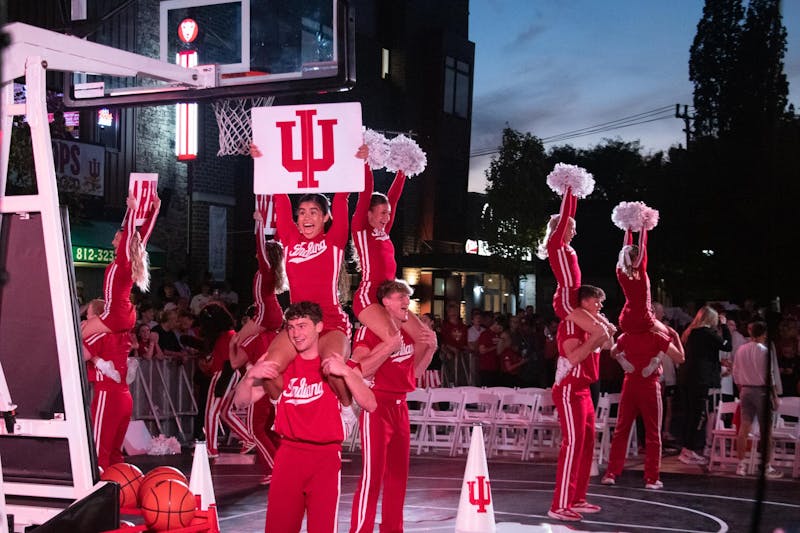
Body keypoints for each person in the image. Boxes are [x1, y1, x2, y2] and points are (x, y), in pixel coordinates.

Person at [244, 302, 376, 533]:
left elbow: (371, 404)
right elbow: (244, 397)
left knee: (323, 528)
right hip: (289, 455)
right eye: (292, 327)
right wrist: (249, 376)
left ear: (319, 328)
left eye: (302, 326)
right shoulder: (283, 369)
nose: (296, 333)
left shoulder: (338, 371)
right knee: (278, 527)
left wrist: (345, 370)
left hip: (324, 458)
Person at [251, 144, 361, 406]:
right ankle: (286, 411)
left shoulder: (333, 240)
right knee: (268, 369)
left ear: (325, 217)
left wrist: (356, 161)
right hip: (298, 323)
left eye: (314, 212)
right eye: (302, 213)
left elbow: (343, 198)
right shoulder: (289, 238)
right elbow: (280, 196)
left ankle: (346, 411)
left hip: (331, 321)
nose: (306, 217)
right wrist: (263, 160)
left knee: (332, 367)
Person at [349, 280, 435, 533]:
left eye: (407, 298)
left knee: (399, 476)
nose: (406, 302)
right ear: (385, 302)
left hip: (400, 406)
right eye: (400, 297)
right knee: (372, 476)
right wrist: (388, 348)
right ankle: (360, 529)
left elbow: (415, 372)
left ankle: (392, 528)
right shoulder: (369, 331)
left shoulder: (407, 331)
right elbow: (360, 370)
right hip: (376, 406)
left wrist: (431, 348)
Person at [351, 150, 435, 371]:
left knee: (425, 340)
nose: (386, 218)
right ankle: (360, 380)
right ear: (367, 214)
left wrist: (403, 171)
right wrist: (366, 163)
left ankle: (406, 381)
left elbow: (395, 198)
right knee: (393, 341)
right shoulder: (361, 229)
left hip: (392, 297)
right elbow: (364, 193)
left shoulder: (384, 231)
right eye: (381, 213)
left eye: (388, 214)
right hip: (369, 297)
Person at [549, 285, 612, 522]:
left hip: (584, 388)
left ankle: (577, 498)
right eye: (596, 302)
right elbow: (573, 357)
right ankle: (559, 504)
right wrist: (596, 336)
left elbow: (608, 346)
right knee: (572, 444)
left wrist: (605, 330)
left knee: (586, 444)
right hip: (569, 388)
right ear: (583, 303)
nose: (600, 306)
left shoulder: (592, 325)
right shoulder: (570, 324)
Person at [537, 164, 615, 342]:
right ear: (560, 229)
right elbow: (565, 216)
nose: (574, 232)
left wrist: (574, 193)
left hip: (575, 296)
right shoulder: (555, 244)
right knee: (601, 332)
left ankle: (595, 359)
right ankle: (573, 363)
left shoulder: (564, 246)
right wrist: (568, 187)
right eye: (572, 229)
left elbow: (570, 214)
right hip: (565, 298)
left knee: (609, 330)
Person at [601, 325, 684, 489]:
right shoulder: (657, 337)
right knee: (653, 433)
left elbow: (612, 352)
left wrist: (623, 359)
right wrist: (674, 335)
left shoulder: (627, 336)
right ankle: (651, 479)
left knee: (621, 430)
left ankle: (611, 473)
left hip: (630, 383)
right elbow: (680, 358)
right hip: (649, 385)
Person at [81, 193, 160, 338]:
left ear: (125, 243)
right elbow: (145, 234)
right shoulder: (131, 257)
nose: (112, 242)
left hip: (116, 315)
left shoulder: (124, 260)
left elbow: (130, 234)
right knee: (84, 327)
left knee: (78, 336)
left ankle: (94, 361)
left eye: (116, 239)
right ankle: (100, 360)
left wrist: (133, 210)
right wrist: (155, 210)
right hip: (123, 314)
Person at [197, 302, 254, 458]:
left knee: (211, 412)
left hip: (224, 374)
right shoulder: (228, 335)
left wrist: (221, 382)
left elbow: (227, 361)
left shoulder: (227, 336)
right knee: (224, 412)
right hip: (229, 374)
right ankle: (248, 438)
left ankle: (211, 448)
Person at [229, 205, 288, 356]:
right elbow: (277, 244)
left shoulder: (266, 270)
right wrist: (280, 221)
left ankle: (240, 368)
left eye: (262, 252)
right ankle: (254, 365)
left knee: (236, 340)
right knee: (254, 343)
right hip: (273, 313)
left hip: (265, 314)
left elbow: (261, 246)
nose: (257, 253)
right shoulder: (271, 271)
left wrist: (260, 224)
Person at [677, 305, 732, 465]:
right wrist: (725, 326)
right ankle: (688, 450)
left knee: (689, 414)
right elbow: (727, 345)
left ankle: (686, 448)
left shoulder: (689, 332)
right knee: (697, 415)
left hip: (687, 377)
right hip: (699, 380)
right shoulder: (707, 333)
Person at [83, 299, 132, 470]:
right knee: (115, 453)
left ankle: (100, 492)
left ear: (97, 318)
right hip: (124, 395)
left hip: (107, 393)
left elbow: (81, 354)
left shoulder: (100, 334)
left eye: (88, 316)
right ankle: (120, 490)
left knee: (99, 452)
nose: (86, 319)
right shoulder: (123, 333)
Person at [732, 321, 783, 478]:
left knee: (744, 428)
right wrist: (775, 397)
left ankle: (741, 466)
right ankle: (766, 467)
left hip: (745, 390)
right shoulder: (764, 351)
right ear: (764, 334)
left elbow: (736, 372)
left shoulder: (741, 349)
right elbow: (770, 377)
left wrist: (743, 390)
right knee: (766, 430)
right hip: (761, 391)